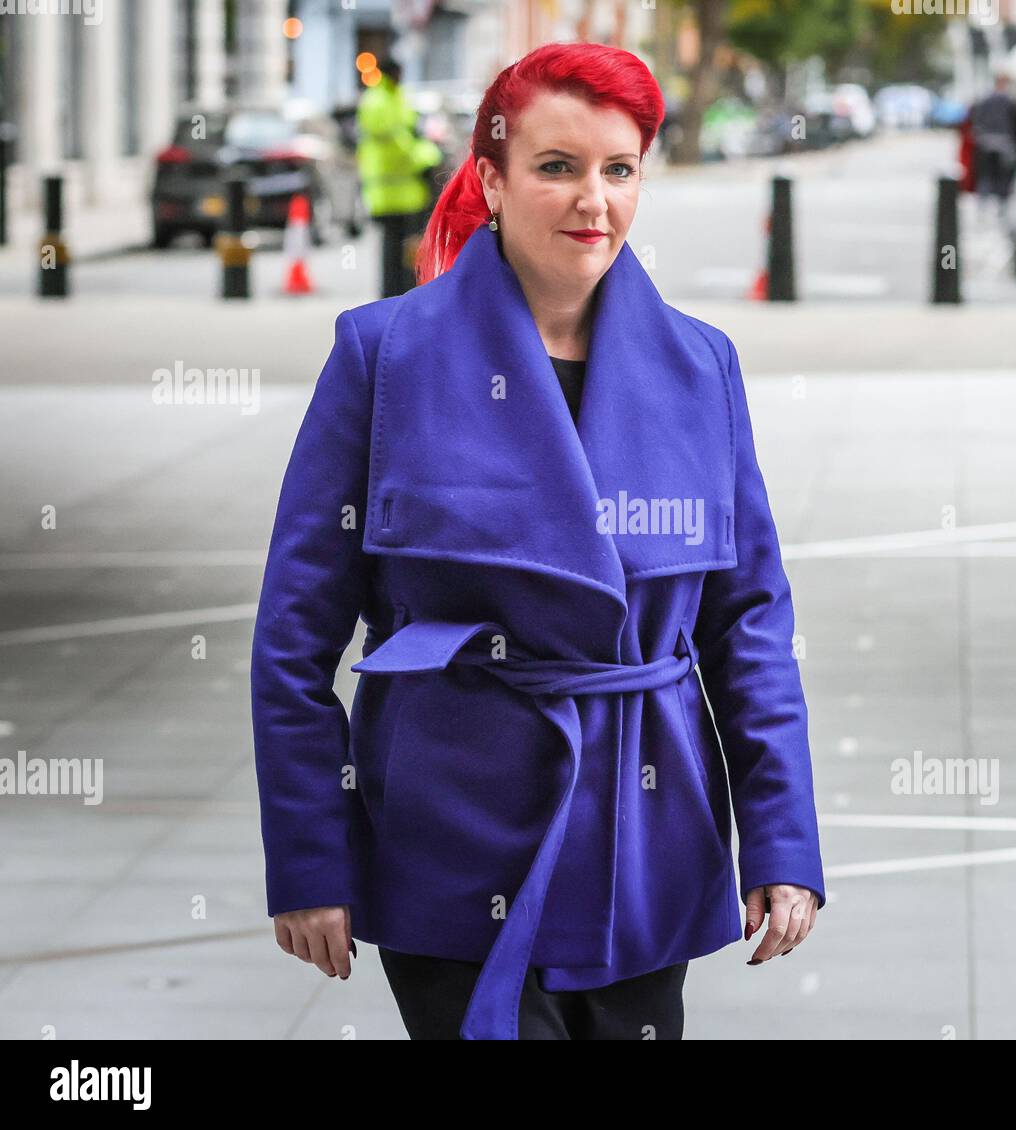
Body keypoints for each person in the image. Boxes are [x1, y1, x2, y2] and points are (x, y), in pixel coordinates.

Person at [250, 41, 826, 1041]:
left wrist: (781, 839)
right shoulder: (381, 356)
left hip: (643, 833)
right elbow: (293, 642)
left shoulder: (701, 369)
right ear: (491, 177)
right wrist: (312, 858)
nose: (591, 201)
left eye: (618, 169)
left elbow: (748, 625)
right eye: (556, 167)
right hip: (453, 835)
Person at [355, 56, 442, 291]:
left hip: (401, 189)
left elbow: (410, 133)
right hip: (394, 189)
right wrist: (427, 157)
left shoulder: (394, 96)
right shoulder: (379, 101)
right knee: (397, 246)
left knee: (400, 247)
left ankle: (399, 292)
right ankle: (395, 293)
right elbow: (398, 144)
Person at [969, 72, 1016, 216]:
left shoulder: (985, 99)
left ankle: (982, 207)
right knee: (1003, 176)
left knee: (986, 175)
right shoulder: (1011, 101)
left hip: (986, 143)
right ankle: (1001, 208)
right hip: (1004, 143)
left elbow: (976, 120)